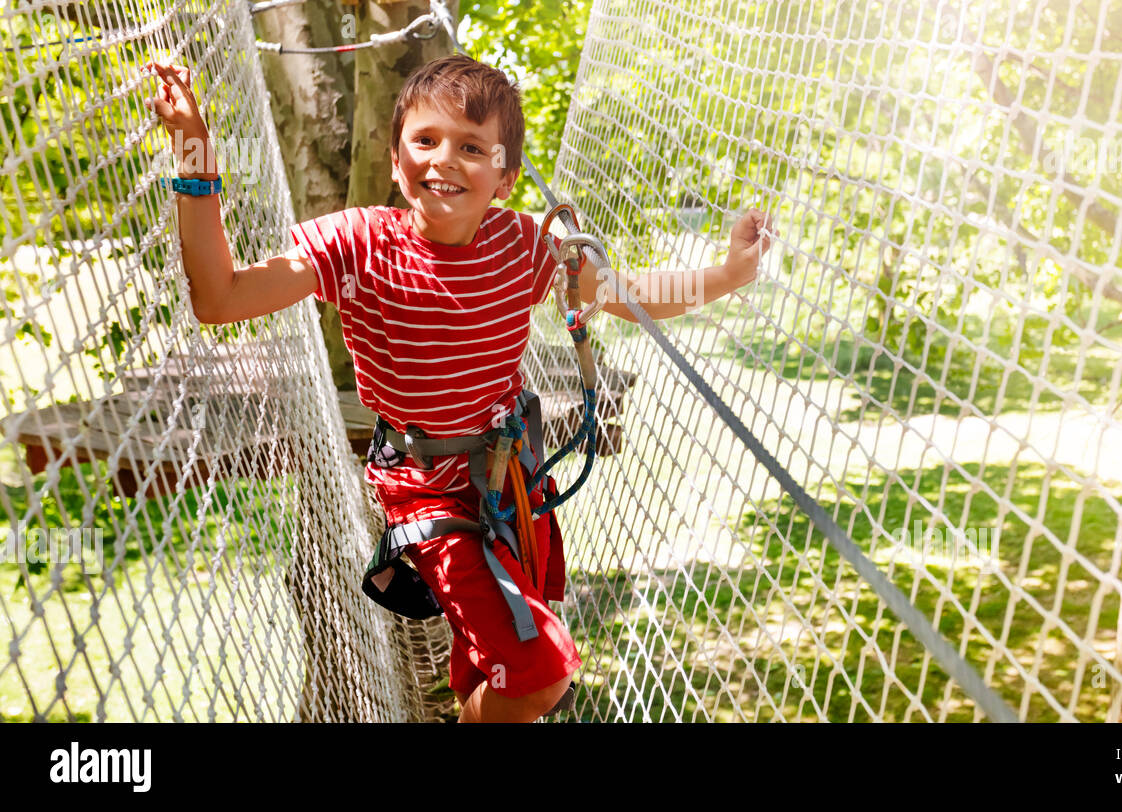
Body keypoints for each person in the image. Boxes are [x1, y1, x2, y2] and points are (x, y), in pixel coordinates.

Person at [145, 53, 776, 722]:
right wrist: (194, 159)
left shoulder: (522, 246)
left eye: (470, 147)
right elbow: (221, 296)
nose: (443, 159)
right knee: (539, 676)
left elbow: (632, 294)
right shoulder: (356, 245)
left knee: (493, 660)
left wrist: (728, 274)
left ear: (503, 179)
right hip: (424, 489)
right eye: (425, 141)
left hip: (507, 478)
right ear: (395, 161)